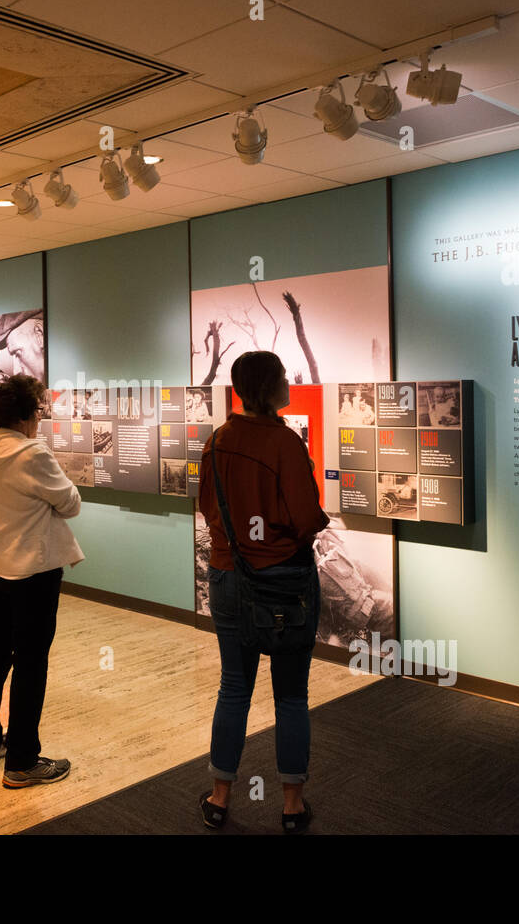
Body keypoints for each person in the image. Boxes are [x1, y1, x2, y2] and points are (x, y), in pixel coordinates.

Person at [197, 350, 329, 833]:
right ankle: (292, 807)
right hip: (285, 583)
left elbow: (208, 508)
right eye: (282, 377)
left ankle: (218, 798)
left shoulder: (217, 442)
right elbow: (305, 516)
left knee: (234, 687)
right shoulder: (286, 443)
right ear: (271, 387)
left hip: (230, 577)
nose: (289, 382)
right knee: (291, 696)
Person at [0, 374, 83, 789]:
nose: (39, 419)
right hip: (30, 573)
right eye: (37, 411)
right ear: (24, 416)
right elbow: (71, 503)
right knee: (31, 662)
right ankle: (22, 761)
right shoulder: (33, 453)